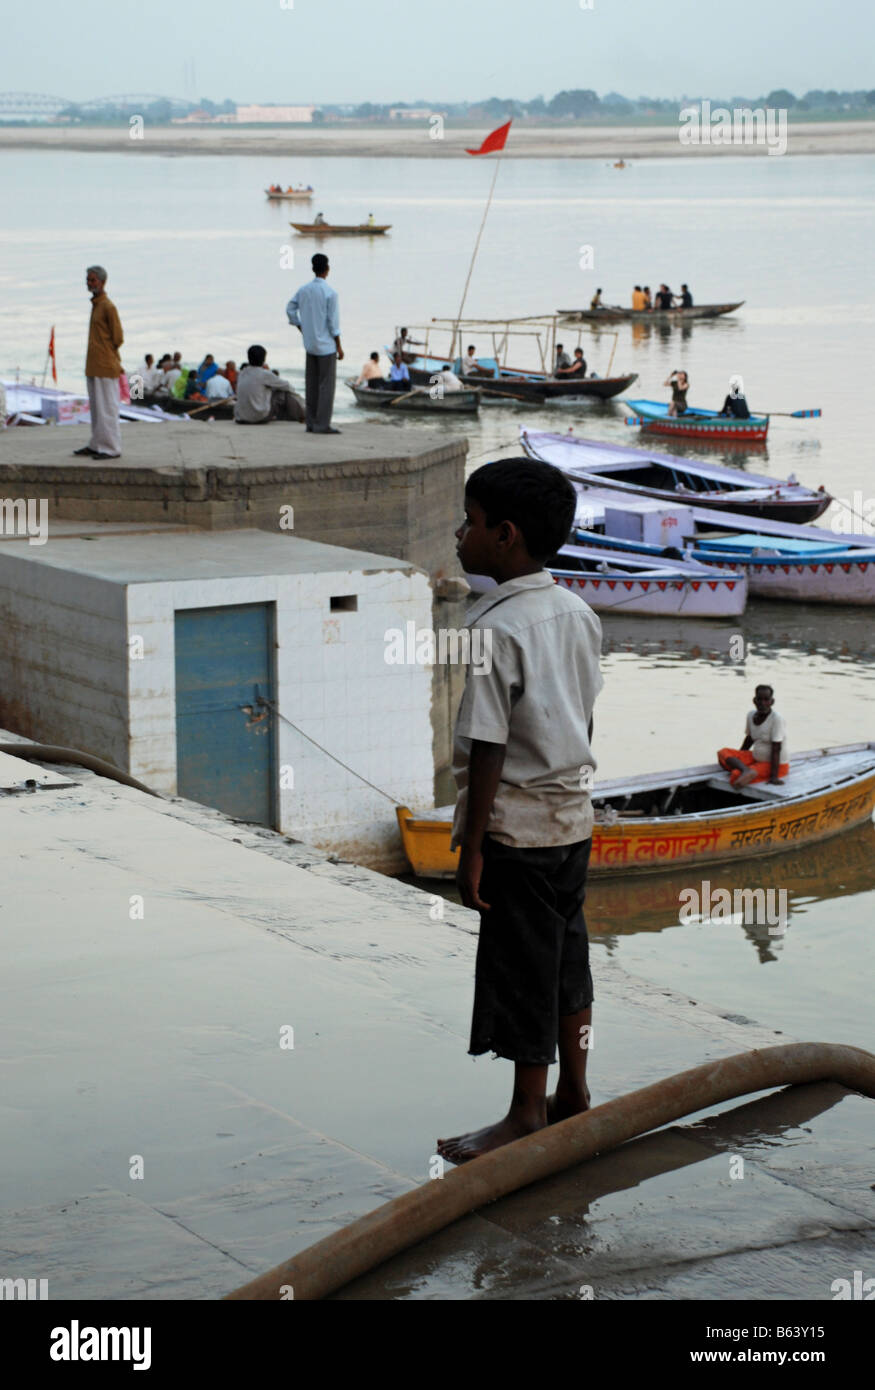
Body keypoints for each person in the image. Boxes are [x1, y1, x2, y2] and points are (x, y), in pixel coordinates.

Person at [436, 457, 603, 1164]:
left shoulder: (495, 628)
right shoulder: (578, 611)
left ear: (504, 536)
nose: (457, 533)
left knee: (522, 969)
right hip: (571, 820)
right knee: (565, 961)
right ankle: (574, 1091)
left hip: (517, 829)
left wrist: (472, 847)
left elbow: (486, 745)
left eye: (468, 523)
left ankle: (524, 1113)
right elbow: (582, 719)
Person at [286, 252, 343, 433]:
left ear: (313, 268)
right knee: (326, 387)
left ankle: (310, 422)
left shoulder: (304, 290)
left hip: (310, 344)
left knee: (311, 384)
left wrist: (300, 326)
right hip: (326, 346)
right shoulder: (330, 293)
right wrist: (339, 346)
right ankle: (322, 424)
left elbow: (290, 308)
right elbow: (333, 324)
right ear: (327, 269)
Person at [74, 265, 124, 459]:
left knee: (107, 409)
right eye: (88, 279)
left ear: (102, 282)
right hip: (93, 365)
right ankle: (97, 444)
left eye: (93, 280)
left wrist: (106, 353)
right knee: (96, 409)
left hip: (105, 365)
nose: (89, 283)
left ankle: (111, 448)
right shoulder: (96, 305)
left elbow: (118, 337)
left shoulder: (108, 307)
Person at [718, 686, 789, 788]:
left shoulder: (777, 719)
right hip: (755, 757)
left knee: (735, 777)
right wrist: (739, 756)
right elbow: (749, 739)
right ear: (754, 701)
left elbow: (776, 748)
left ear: (772, 701)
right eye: (759, 699)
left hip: (775, 764)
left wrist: (774, 777)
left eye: (766, 700)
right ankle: (746, 770)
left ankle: (747, 772)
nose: (762, 703)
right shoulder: (751, 715)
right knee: (723, 753)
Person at [234, 344, 305, 424]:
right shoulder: (264, 374)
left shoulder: (242, 373)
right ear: (264, 359)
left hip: (240, 417)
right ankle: (302, 417)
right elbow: (287, 386)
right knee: (282, 394)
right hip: (258, 417)